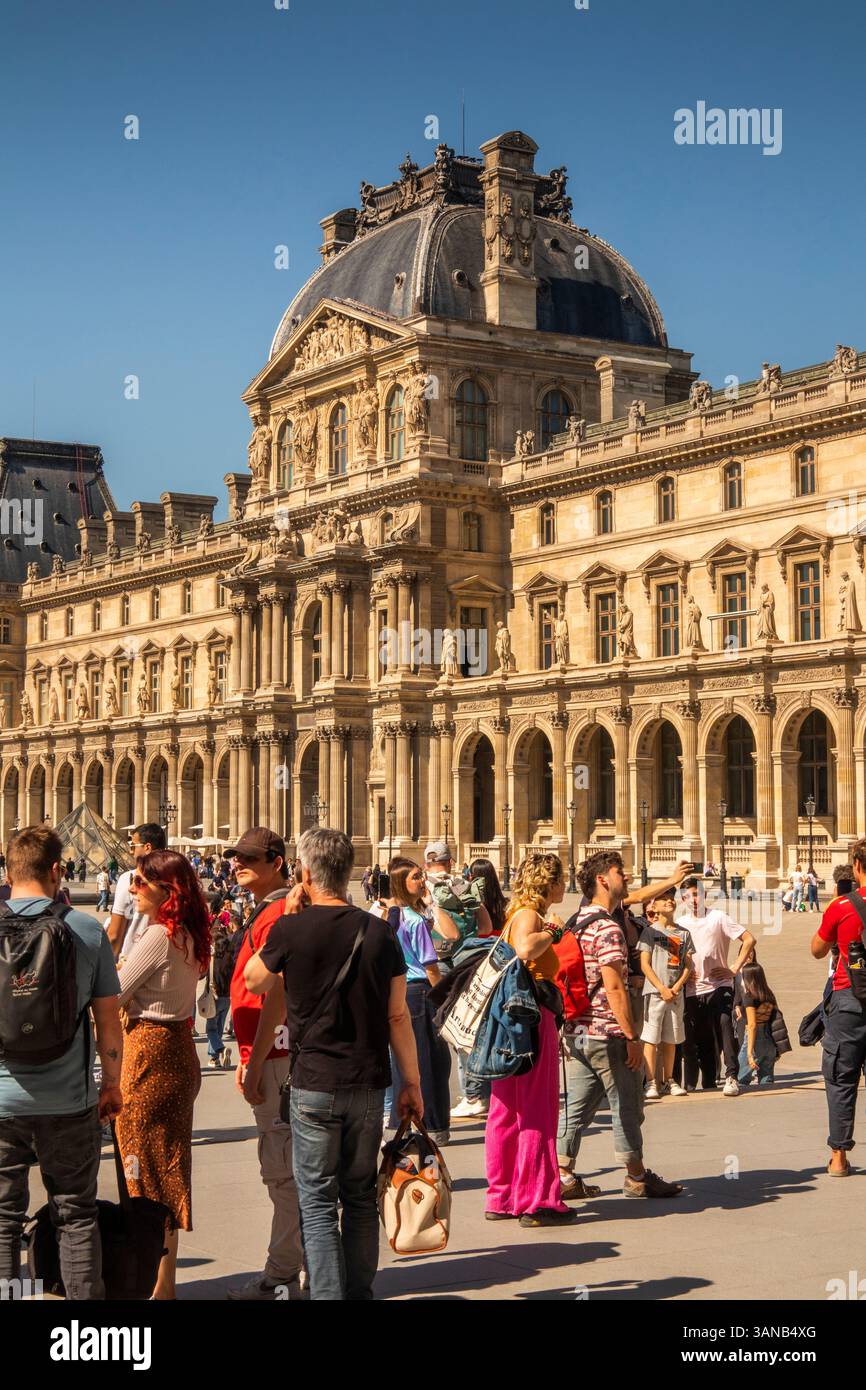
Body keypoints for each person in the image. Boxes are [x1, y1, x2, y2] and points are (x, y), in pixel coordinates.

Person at [244, 827, 422, 1301]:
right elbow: (398, 1015)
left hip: (313, 1084)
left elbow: (255, 980)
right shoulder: (381, 932)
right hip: (368, 1084)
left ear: (303, 872)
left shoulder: (290, 927)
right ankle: (359, 1292)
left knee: (318, 1202)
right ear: (350, 873)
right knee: (360, 1196)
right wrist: (413, 1082)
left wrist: (287, 915)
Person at [0, 827, 123, 1299]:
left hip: (3, 1101)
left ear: (9, 873)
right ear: (57, 871)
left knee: (4, 1222)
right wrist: (110, 1084)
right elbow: (108, 1021)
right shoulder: (87, 929)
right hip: (70, 1099)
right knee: (76, 1215)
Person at [557, 850, 683, 1201]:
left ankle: (562, 1172)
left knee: (576, 1107)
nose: (625, 876)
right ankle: (637, 1177)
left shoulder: (577, 921)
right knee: (627, 1105)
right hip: (608, 1032)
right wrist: (631, 1036)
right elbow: (614, 986)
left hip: (578, 1031)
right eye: (619, 872)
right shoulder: (607, 928)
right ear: (602, 880)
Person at [115, 850, 209, 1299]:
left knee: (142, 1169)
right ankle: (164, 1281)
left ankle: (148, 1280)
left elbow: (113, 995)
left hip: (148, 1052)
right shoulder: (189, 933)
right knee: (170, 1166)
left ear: (165, 890)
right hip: (178, 1050)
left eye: (139, 882)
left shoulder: (157, 936)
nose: (131, 889)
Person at [227, 828, 304, 1301]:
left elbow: (272, 991)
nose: (238, 864)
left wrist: (253, 1058)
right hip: (271, 1048)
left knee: (283, 1172)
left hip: (274, 1052)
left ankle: (281, 1275)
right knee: (291, 1170)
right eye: (235, 857)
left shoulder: (278, 914)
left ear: (277, 861)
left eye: (248, 858)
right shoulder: (271, 909)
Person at [485, 853, 577, 1228]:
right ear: (548, 883)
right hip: (533, 1020)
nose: (564, 885)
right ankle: (537, 1199)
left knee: (505, 1110)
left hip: (511, 1022)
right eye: (561, 879)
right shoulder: (529, 916)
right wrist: (553, 932)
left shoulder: (514, 913)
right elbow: (525, 950)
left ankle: (502, 1195)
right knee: (537, 1110)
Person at [385, 859, 452, 1143]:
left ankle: (398, 1123)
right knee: (432, 1060)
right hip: (421, 991)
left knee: (403, 1060)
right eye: (415, 878)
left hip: (399, 991)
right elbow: (431, 967)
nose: (422, 881)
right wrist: (444, 1001)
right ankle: (434, 1125)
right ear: (402, 883)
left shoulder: (392, 917)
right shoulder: (415, 921)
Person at [811, 837, 866, 1176]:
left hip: (849, 1000)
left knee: (841, 1077)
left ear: (857, 866)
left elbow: (818, 949)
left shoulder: (843, 905)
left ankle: (839, 1156)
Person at [677, 877, 755, 1096]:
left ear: (704, 895)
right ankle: (710, 1080)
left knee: (725, 1027)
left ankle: (732, 1076)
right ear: (683, 899)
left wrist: (733, 969)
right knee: (702, 1037)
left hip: (720, 984)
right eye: (689, 895)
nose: (694, 899)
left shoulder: (718, 917)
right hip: (694, 989)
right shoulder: (681, 924)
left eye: (697, 894)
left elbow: (749, 940)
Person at [639, 888, 694, 1099]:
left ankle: (669, 1079)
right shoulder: (650, 932)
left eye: (672, 899)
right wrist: (661, 988)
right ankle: (651, 1081)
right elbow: (645, 964)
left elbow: (688, 964)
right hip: (655, 992)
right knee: (651, 1038)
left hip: (675, 992)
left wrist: (678, 985)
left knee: (671, 1038)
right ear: (655, 906)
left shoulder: (683, 933)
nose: (669, 902)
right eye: (664, 900)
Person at [106, 823, 167, 960]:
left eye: (133, 846)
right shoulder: (176, 878)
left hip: (132, 960)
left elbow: (114, 936)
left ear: (147, 848)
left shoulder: (130, 878)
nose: (131, 851)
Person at [736, 962, 778, 1087]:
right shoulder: (769, 995)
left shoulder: (749, 997)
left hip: (754, 1041)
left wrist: (749, 1053)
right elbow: (775, 1018)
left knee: (741, 1079)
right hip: (769, 1040)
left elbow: (752, 1024)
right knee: (767, 1081)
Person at [206, 903, 237, 1069]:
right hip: (227, 995)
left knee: (211, 1028)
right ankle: (214, 1059)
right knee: (218, 1028)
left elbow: (204, 974)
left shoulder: (213, 959)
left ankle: (220, 1049)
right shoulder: (230, 958)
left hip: (214, 994)